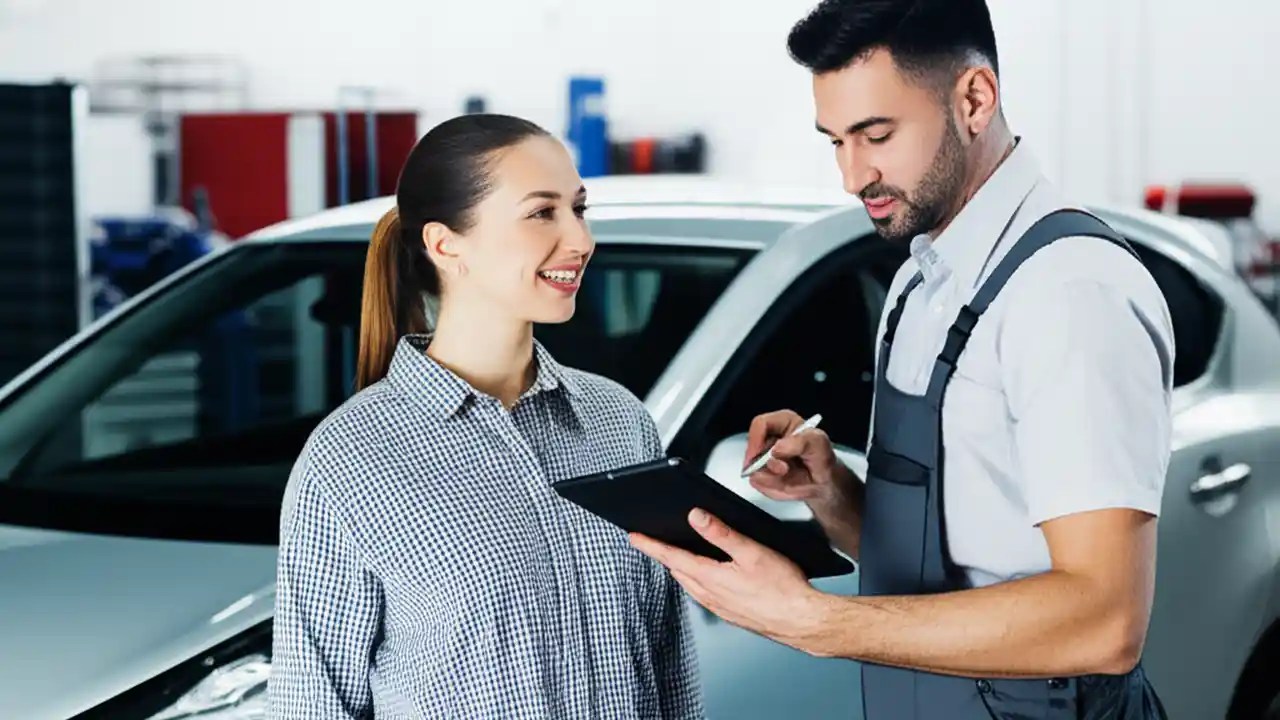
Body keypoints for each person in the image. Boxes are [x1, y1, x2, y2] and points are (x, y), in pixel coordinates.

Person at [629, 1, 1173, 718]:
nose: (852, 176)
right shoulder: (920, 281)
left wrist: (814, 622)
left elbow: (1105, 621)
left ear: (974, 100)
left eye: (876, 135)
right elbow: (951, 566)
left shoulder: (1067, 293)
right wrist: (835, 495)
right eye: (836, 142)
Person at [267, 113, 701, 719]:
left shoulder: (618, 421)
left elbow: (670, 665)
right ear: (446, 245)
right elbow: (313, 703)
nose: (580, 240)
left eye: (579, 209)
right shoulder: (351, 456)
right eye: (542, 212)